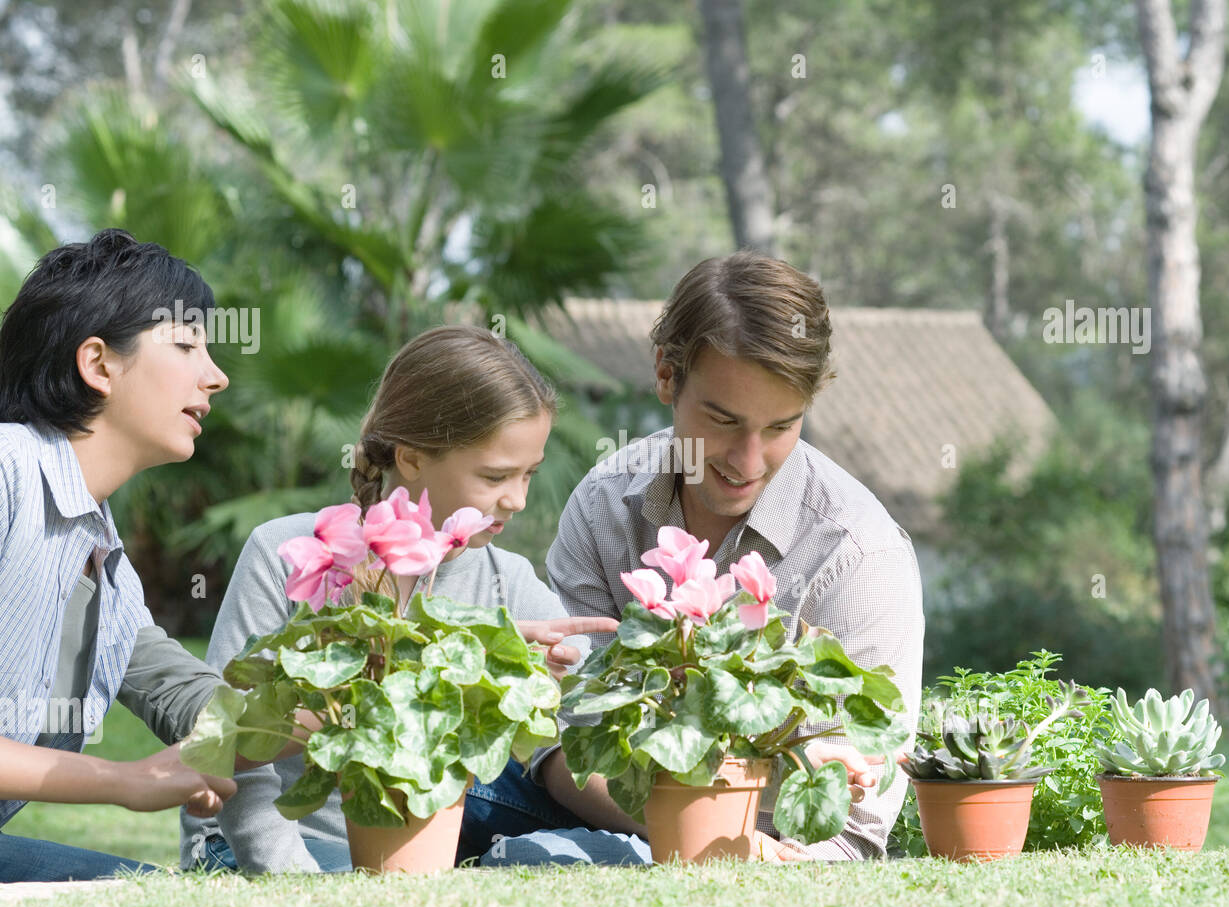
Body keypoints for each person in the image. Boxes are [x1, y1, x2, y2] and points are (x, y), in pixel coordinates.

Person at [513, 250, 925, 863]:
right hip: (594, 821)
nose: (747, 461)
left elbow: (851, 835)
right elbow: (560, 744)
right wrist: (695, 832)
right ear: (665, 374)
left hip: (777, 860)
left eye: (782, 426)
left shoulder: (857, 551)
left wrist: (715, 842)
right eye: (723, 419)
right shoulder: (605, 504)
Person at [179, 326, 630, 873]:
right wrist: (289, 881)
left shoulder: (504, 577)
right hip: (272, 844)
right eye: (495, 476)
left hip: (427, 845)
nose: (517, 499)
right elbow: (230, 747)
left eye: (529, 473)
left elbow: (568, 742)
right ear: (412, 459)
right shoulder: (291, 551)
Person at [0, 229, 238, 882]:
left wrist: (390, 664)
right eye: (187, 343)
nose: (215, 374)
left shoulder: (99, 554)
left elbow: (192, 699)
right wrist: (120, 779)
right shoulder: (7, 471)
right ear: (99, 363)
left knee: (152, 896)